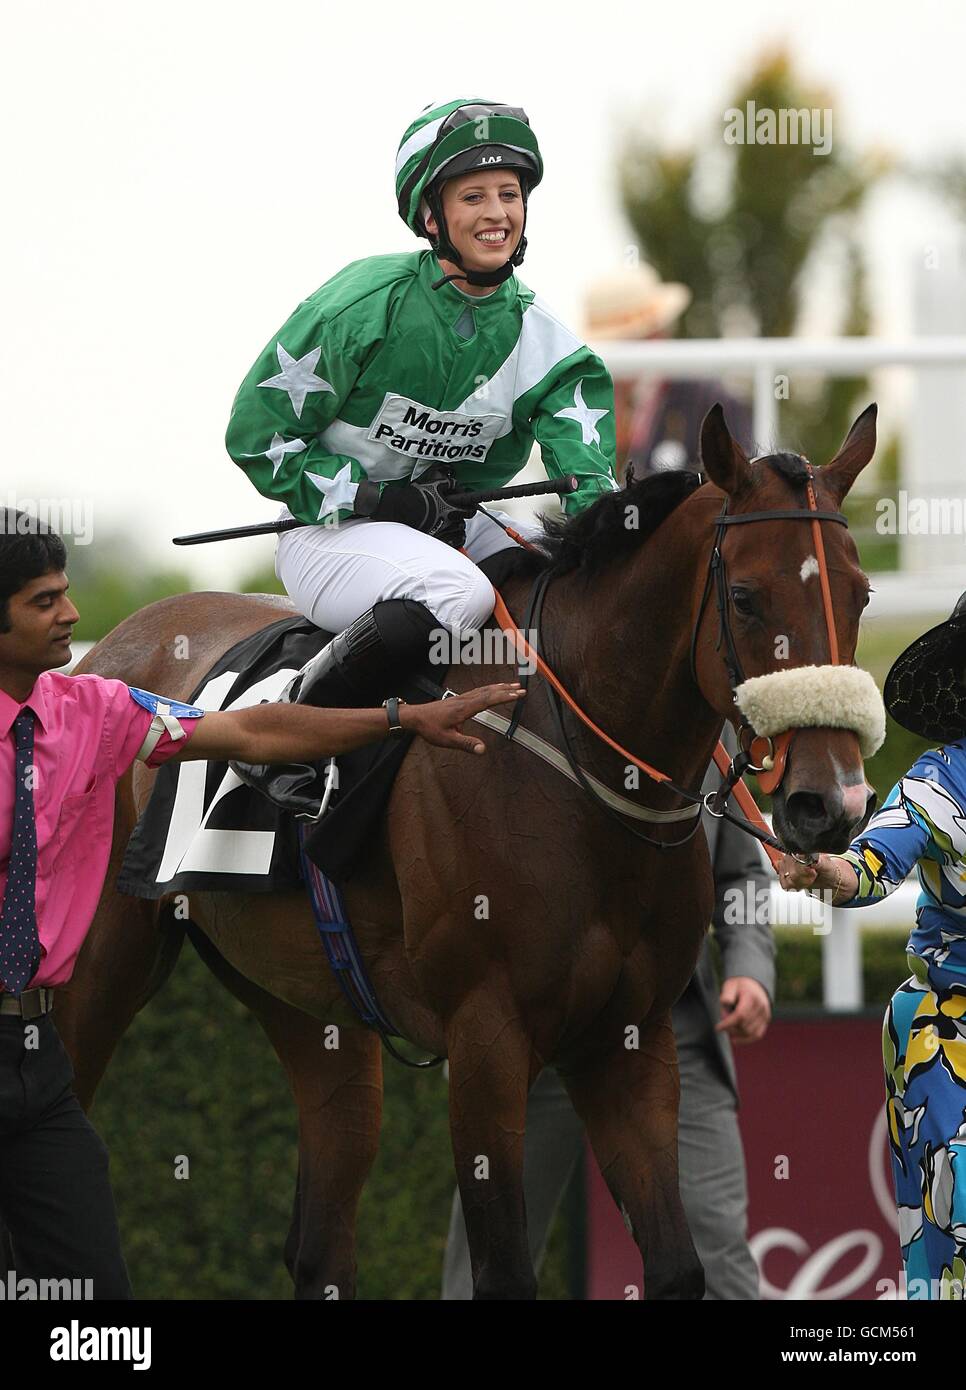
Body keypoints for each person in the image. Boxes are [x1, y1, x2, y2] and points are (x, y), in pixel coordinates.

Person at [0, 510, 522, 1297]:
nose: (70, 615)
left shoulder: (95, 710)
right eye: (44, 602)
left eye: (67, 594)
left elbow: (251, 734)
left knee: (97, 1312)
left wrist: (400, 717)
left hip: (37, 1064)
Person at [224, 98, 620, 817]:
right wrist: (373, 500)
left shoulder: (551, 348)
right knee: (460, 595)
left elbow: (593, 489)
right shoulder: (359, 307)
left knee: (556, 590)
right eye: (473, 196)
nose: (498, 212)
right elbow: (259, 436)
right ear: (431, 217)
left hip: (452, 531)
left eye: (510, 194)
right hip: (328, 535)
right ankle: (289, 735)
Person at [441, 727, 775, 1300]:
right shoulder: (535, 702)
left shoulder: (712, 727)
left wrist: (749, 966)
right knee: (486, 1268)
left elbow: (744, 870)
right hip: (531, 1035)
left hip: (671, 1026)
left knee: (719, 1263)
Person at [779, 591, 966, 1300]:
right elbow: (867, 867)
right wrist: (824, 870)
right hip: (948, 1029)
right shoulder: (937, 784)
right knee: (959, 1215)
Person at [583, 264, 752, 480]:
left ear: (656, 335)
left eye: (627, 341)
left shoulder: (712, 403)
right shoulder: (597, 406)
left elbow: (740, 495)